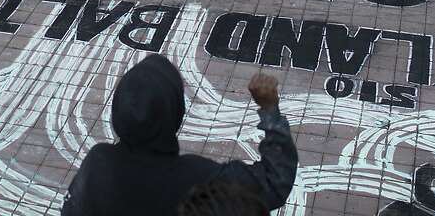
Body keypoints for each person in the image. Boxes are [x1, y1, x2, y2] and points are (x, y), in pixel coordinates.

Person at [59, 58, 296, 215]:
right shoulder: (200, 179)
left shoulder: (98, 163)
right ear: (175, 113)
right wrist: (270, 110)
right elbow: (274, 182)